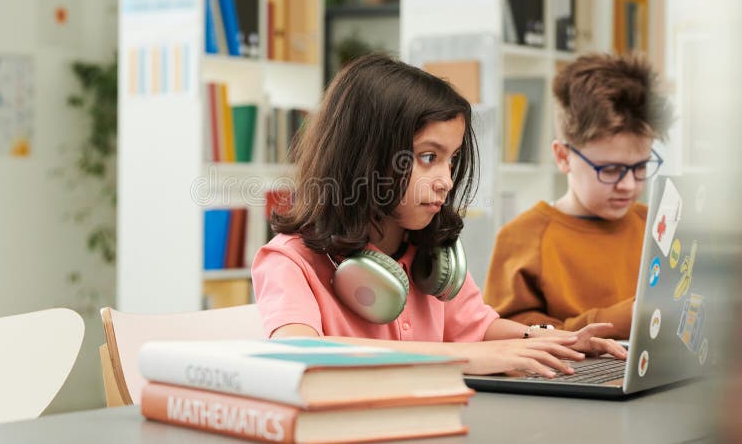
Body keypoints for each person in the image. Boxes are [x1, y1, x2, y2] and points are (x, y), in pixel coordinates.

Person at [252, 54, 625, 378]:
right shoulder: (289, 262)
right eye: (428, 157)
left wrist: (552, 341)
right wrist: (464, 357)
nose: (446, 181)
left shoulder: (432, 256)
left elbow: (479, 329)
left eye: (452, 159)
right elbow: (300, 355)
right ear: (364, 157)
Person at [483, 53, 674, 339]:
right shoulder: (523, 238)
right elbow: (514, 336)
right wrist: (621, 320)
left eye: (640, 167)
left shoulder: (656, 225)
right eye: (610, 169)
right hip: (570, 378)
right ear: (563, 156)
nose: (628, 184)